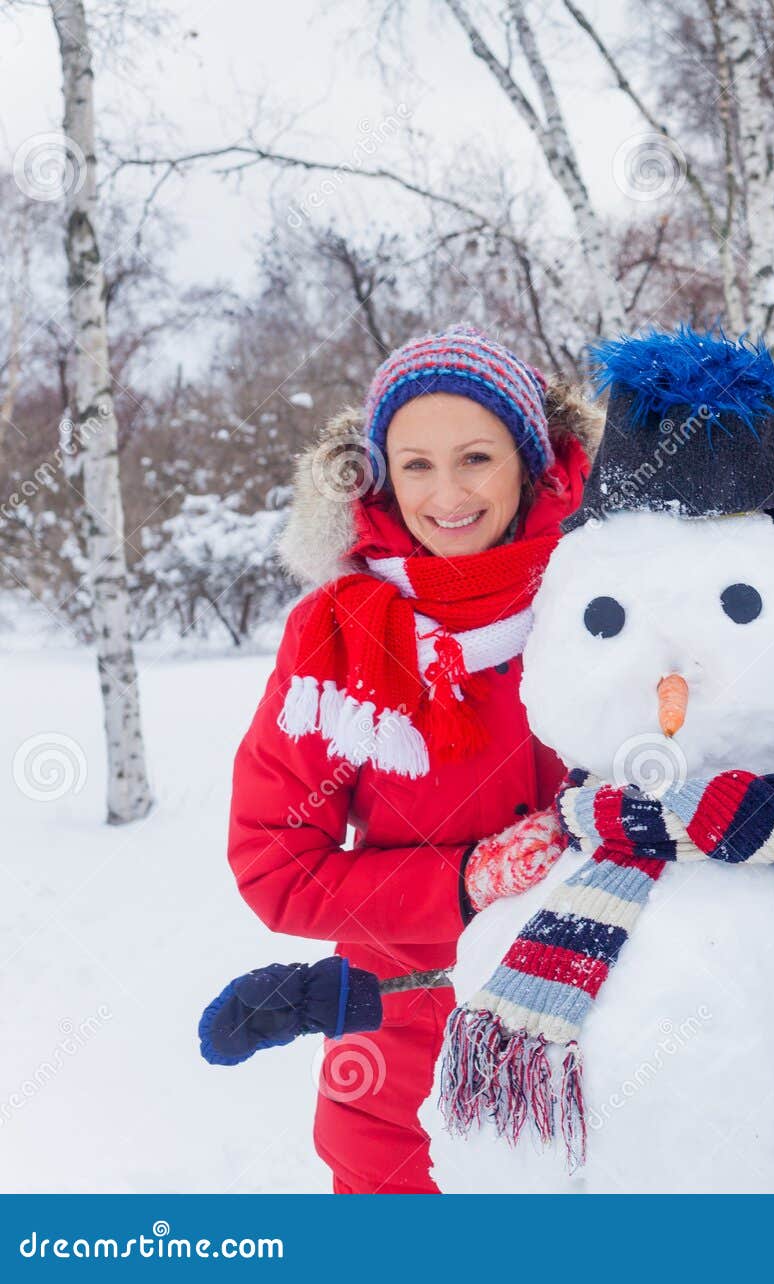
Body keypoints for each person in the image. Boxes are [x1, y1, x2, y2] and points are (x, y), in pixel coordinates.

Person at [227, 326, 593, 1192]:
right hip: (404, 1071)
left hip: (602, 1043)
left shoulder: (605, 594)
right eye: (416, 464)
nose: (447, 493)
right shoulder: (338, 633)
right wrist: (464, 882)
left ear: (530, 463)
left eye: (476, 457)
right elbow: (273, 863)